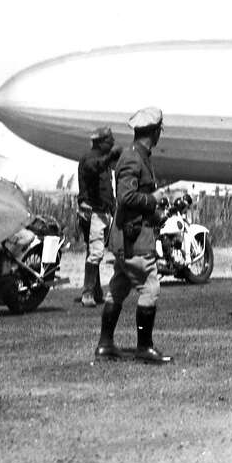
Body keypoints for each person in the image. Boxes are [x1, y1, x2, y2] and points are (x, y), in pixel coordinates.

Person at [95, 107, 172, 364]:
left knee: (118, 288)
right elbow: (126, 197)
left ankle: (105, 345)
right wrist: (153, 199)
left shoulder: (138, 156)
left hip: (126, 238)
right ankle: (144, 348)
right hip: (134, 240)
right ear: (155, 132)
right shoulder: (133, 158)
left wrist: (156, 214)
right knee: (150, 287)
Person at [75, 126, 121, 307]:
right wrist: (110, 157)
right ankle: (87, 293)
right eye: (110, 140)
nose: (113, 142)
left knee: (96, 251)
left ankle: (95, 291)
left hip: (103, 212)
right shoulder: (89, 159)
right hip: (93, 212)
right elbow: (93, 168)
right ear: (101, 142)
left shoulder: (103, 161)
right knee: (96, 253)